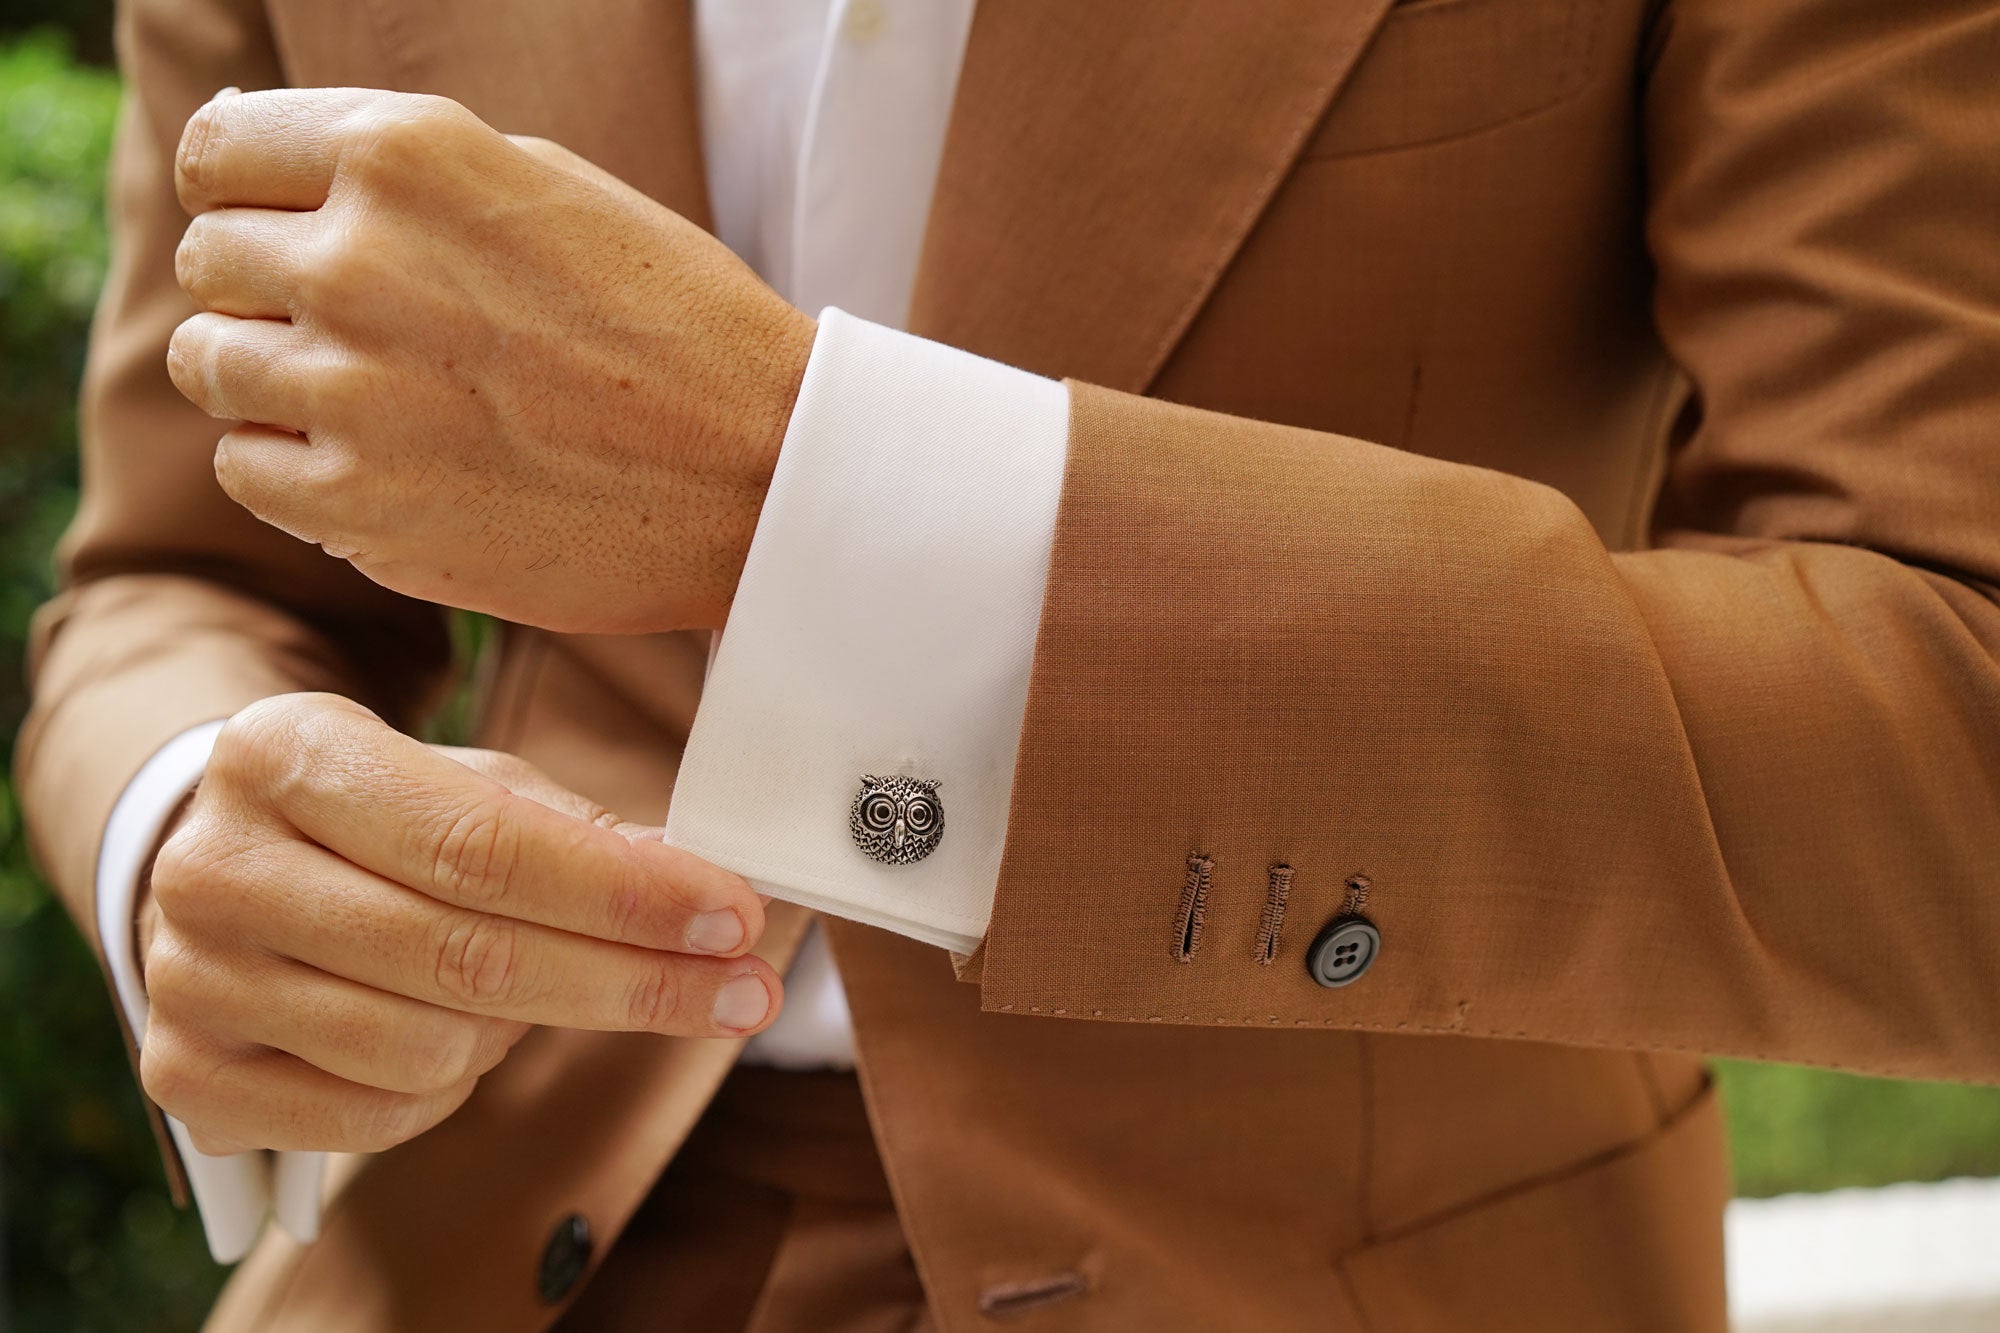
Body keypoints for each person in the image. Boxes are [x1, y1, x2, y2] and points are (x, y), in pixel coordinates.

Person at [18, 0, 2000, 1328]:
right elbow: (164, 576)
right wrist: (188, 826)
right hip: (460, 1240)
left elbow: (1956, 738)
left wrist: (801, 487)